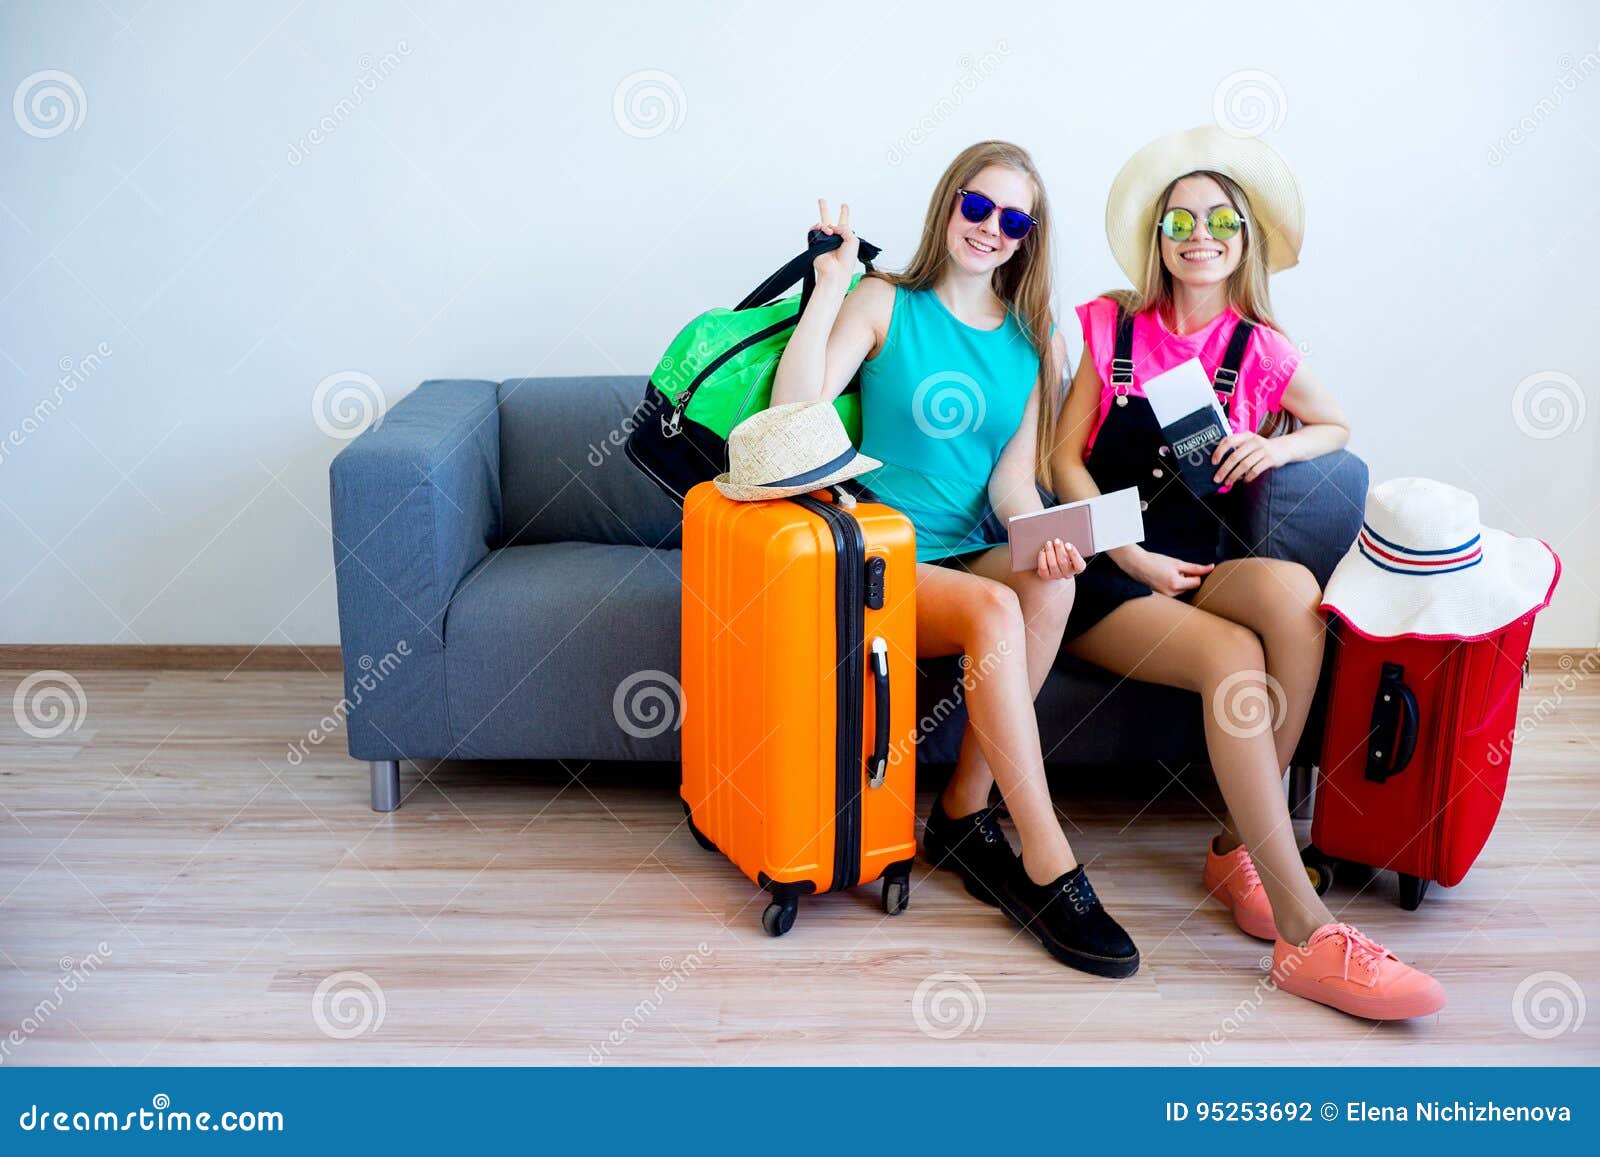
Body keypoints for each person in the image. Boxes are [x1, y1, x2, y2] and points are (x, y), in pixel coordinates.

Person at [1050, 126, 1445, 1019]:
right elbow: (1064, 460)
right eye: (1180, 219)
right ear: (1158, 237)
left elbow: (1334, 426)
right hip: (1112, 568)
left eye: (1220, 219)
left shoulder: (1259, 348)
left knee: (1299, 602)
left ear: (1242, 239)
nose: (1201, 234)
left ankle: (1238, 844)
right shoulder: (1109, 323)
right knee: (1236, 654)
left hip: (1203, 560)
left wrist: (1270, 450)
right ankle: (1304, 930)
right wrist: (1126, 552)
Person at [770, 141, 1138, 978]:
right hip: (877, 554)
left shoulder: (1035, 334)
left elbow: (1011, 482)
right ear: (949, 205)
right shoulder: (884, 300)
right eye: (978, 206)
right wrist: (826, 291)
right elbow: (796, 413)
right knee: (994, 608)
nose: (990, 229)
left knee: (1045, 588)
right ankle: (1049, 860)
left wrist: (1040, 529)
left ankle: (965, 812)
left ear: (1027, 238)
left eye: (1013, 220)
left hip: (971, 546)